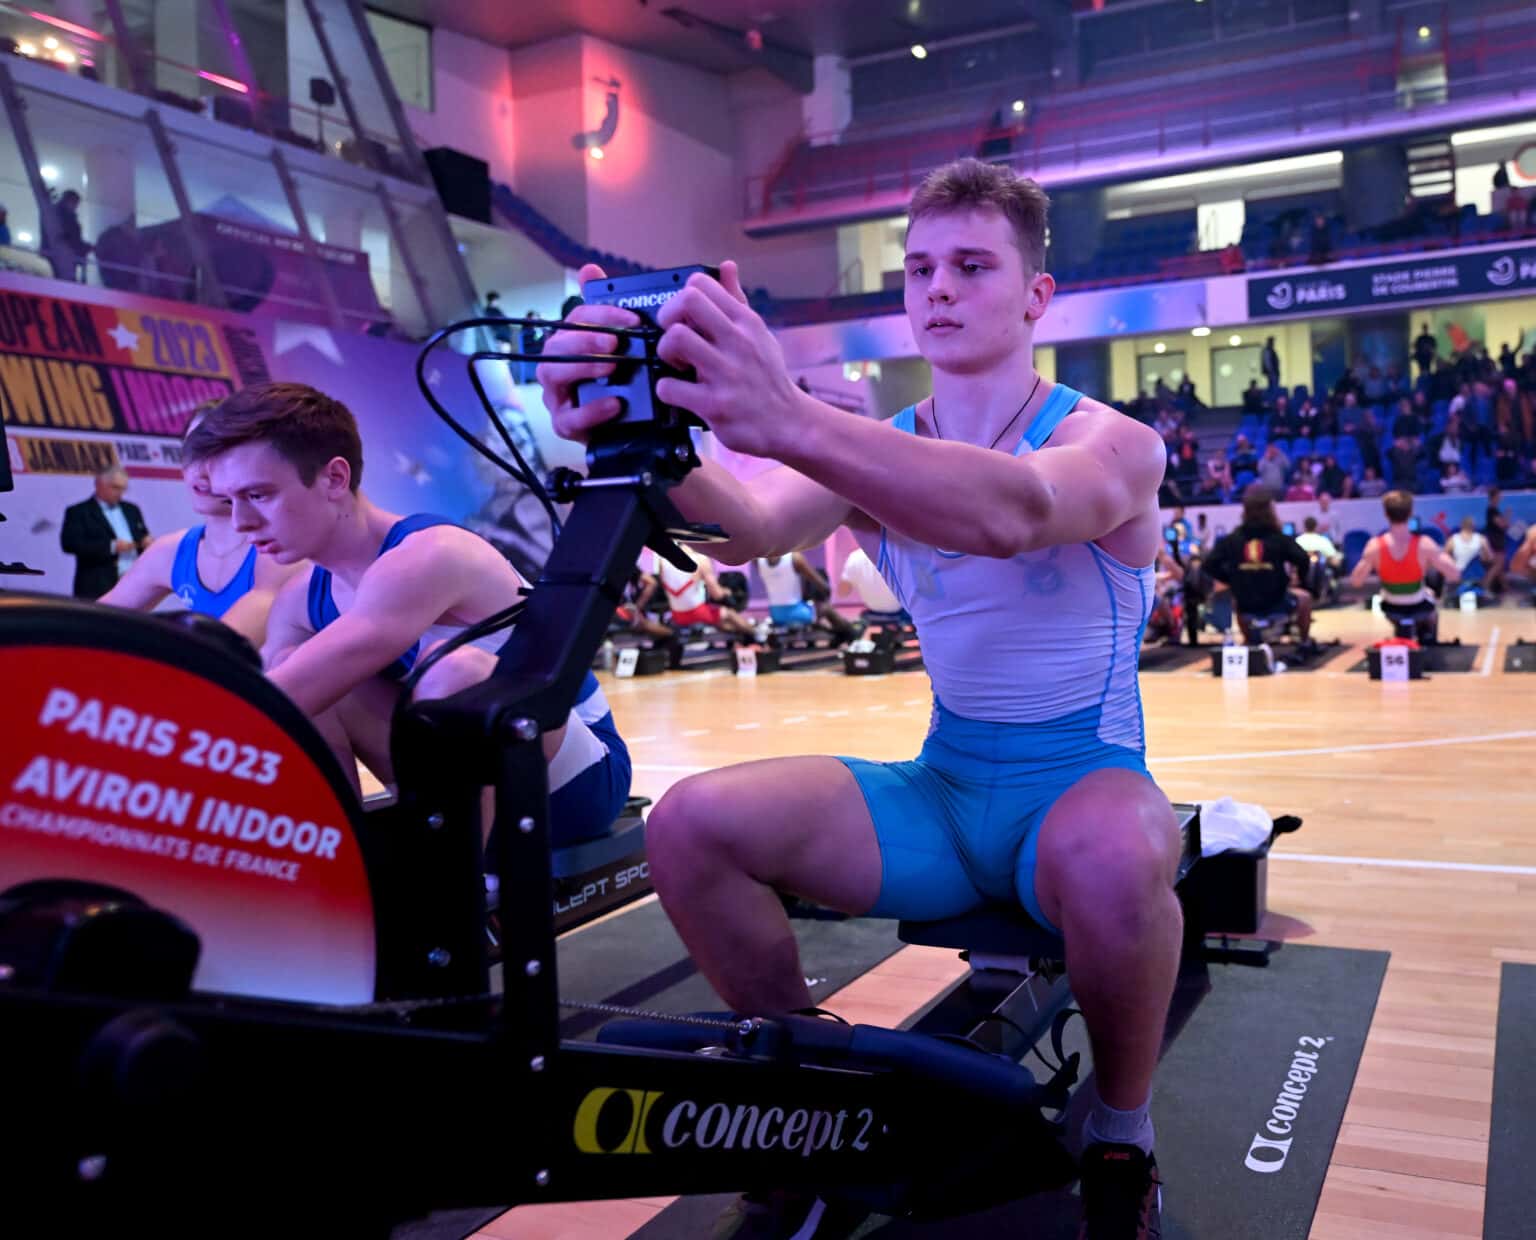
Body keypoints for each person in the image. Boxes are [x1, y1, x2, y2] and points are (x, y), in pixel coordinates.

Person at [540, 156, 1178, 1238]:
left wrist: (786, 412)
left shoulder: (1108, 440)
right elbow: (741, 526)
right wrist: (631, 427)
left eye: (972, 265)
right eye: (920, 266)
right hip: (945, 784)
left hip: (1083, 782)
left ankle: (1123, 1128)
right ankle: (807, 1110)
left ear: (1036, 297)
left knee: (1114, 858)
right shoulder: (875, 449)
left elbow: (1015, 511)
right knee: (690, 822)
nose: (937, 287)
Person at [184, 383, 631, 854]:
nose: (240, 522)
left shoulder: (433, 553)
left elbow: (271, 704)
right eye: (230, 500)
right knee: (302, 672)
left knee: (454, 672)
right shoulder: (299, 600)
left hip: (574, 782)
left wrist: (139, 751)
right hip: (466, 788)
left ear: (335, 478)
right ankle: (341, 865)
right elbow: (278, 715)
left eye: (258, 495)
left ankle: (459, 902)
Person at [100, 406, 306, 646]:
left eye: (219, 452)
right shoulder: (171, 552)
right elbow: (90, 626)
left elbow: (215, 651)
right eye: (192, 450)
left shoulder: (280, 548)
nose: (200, 468)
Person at [1203, 486, 1317, 648]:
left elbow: (1208, 564)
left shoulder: (1232, 539)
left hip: (1246, 602)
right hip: (1276, 600)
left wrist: (1231, 580)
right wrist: (1299, 581)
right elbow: (1303, 559)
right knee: (1305, 598)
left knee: (1237, 600)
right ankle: (1305, 642)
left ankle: (1249, 640)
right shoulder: (1279, 539)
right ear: (1269, 512)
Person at [1349, 490, 1461, 640]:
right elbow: (1454, 574)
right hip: (1419, 604)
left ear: (1386, 514)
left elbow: (1356, 581)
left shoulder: (1374, 546)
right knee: (1431, 597)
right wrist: (1430, 562)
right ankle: (1429, 640)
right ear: (1410, 514)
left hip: (1390, 607)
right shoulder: (1424, 544)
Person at [60, 467, 151, 599]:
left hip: (133, 582)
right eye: (115, 487)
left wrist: (146, 542)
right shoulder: (79, 512)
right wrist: (111, 546)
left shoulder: (131, 509)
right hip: (98, 584)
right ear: (99, 485)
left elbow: (142, 534)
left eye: (123, 488)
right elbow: (69, 544)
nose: (120, 493)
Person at [647, 544, 756, 636]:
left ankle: (742, 639)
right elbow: (717, 595)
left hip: (676, 615)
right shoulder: (701, 560)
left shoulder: (663, 561)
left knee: (721, 623)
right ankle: (757, 636)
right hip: (697, 613)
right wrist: (727, 591)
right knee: (729, 613)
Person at [755, 551, 856, 639]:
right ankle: (851, 634)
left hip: (775, 614)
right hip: (798, 613)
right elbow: (823, 586)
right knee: (826, 608)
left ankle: (836, 633)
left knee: (812, 607)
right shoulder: (795, 558)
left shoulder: (757, 560)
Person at [838, 544, 905, 618]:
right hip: (899, 611)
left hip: (872, 610)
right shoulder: (903, 556)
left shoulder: (855, 557)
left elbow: (843, 593)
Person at [1445, 515, 1500, 595]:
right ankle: (1486, 588)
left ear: (1461, 526)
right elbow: (1490, 557)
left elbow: (1443, 558)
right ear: (1473, 526)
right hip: (1476, 576)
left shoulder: (1452, 540)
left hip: (1457, 575)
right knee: (1497, 562)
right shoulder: (1481, 539)